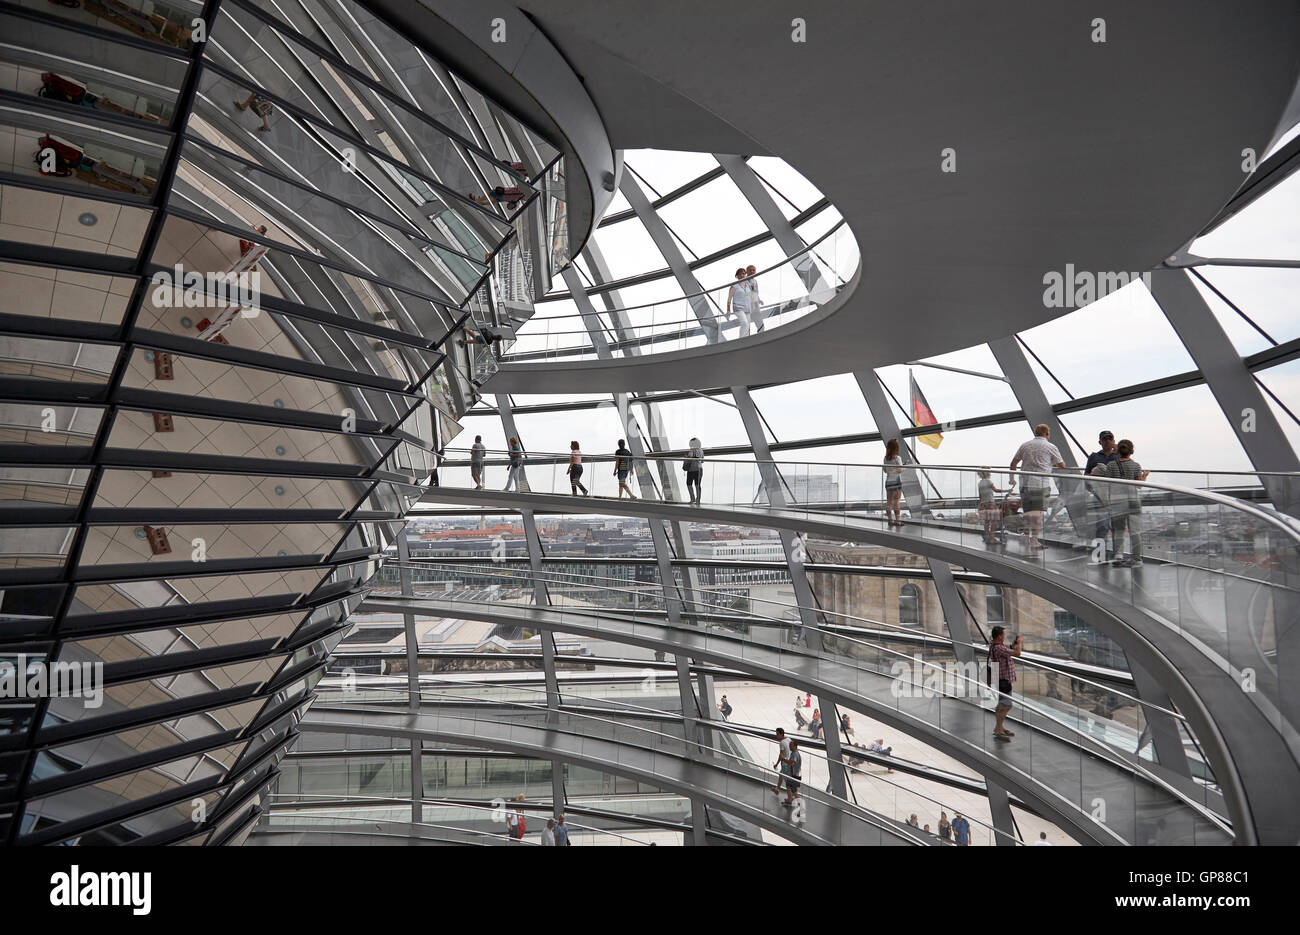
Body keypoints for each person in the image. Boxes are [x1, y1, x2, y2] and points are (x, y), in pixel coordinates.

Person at [1009, 424, 1066, 550]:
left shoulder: (1025, 445)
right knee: (1037, 514)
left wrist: (1012, 479)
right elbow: (1062, 465)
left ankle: (1025, 535)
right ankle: (1034, 541)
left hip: (1024, 483)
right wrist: (1049, 463)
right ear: (1046, 434)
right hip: (1040, 484)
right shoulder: (1050, 446)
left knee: (1028, 511)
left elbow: (1013, 463)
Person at [1105, 439, 1149, 567]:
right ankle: (1136, 559)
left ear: (1117, 450)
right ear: (1131, 451)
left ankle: (1118, 555)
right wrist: (1145, 476)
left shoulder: (1111, 465)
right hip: (1133, 500)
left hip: (1117, 500)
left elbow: (1107, 483)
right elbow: (1139, 485)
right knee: (1135, 531)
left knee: (1118, 529)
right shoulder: (1136, 466)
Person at [989, 625, 1022, 741]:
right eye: (1003, 635)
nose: (1004, 636)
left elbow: (1007, 652)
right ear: (999, 636)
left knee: (1001, 705)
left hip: (1000, 678)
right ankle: (998, 729)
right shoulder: (998, 648)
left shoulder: (994, 645)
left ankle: (999, 727)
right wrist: (1020, 644)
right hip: (1003, 680)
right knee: (1006, 705)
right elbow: (1018, 653)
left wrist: (1013, 645)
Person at [977, 467, 1008, 544]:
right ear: (987, 473)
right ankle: (992, 537)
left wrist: (980, 505)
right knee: (994, 521)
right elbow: (996, 490)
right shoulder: (989, 481)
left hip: (983, 504)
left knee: (986, 521)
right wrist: (1007, 490)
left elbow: (980, 496)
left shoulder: (980, 483)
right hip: (990, 503)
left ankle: (987, 537)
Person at [883, 438, 905, 526]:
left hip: (888, 481)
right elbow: (900, 470)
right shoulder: (897, 458)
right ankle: (898, 521)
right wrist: (902, 466)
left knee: (889, 501)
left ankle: (890, 520)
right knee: (896, 501)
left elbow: (885, 470)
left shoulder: (885, 458)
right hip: (896, 481)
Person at [726, 267, 753, 337]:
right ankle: (741, 339)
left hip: (747, 308)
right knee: (745, 323)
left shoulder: (747, 285)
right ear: (737, 276)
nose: (742, 275)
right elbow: (729, 299)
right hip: (738, 308)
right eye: (740, 274)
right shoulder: (734, 286)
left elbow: (746, 294)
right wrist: (728, 310)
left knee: (748, 326)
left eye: (744, 274)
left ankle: (746, 340)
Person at [683, 437, 704, 505]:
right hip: (699, 469)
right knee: (697, 485)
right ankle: (698, 500)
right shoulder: (701, 451)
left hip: (691, 469)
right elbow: (703, 461)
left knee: (689, 484)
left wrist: (686, 457)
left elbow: (689, 458)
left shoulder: (691, 451)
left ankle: (692, 499)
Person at [782, 739, 803, 806]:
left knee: (794, 791)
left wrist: (784, 760)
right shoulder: (794, 753)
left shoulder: (795, 754)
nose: (790, 747)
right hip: (792, 774)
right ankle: (789, 800)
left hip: (793, 775)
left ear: (795, 746)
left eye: (791, 745)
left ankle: (800, 803)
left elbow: (792, 763)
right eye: (789, 745)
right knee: (788, 787)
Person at [771, 727, 791, 795]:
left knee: (787, 781)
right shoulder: (788, 739)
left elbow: (781, 755)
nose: (776, 736)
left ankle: (792, 797)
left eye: (777, 734)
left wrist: (776, 764)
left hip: (785, 763)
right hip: (790, 761)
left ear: (781, 734)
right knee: (781, 775)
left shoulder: (782, 743)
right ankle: (777, 789)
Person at [745, 264, 764, 331]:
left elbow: (756, 292)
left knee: (759, 319)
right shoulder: (744, 281)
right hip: (748, 304)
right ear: (746, 272)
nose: (752, 272)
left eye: (754, 270)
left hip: (755, 303)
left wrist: (759, 300)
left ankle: (761, 332)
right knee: (747, 321)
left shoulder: (755, 281)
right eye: (750, 270)